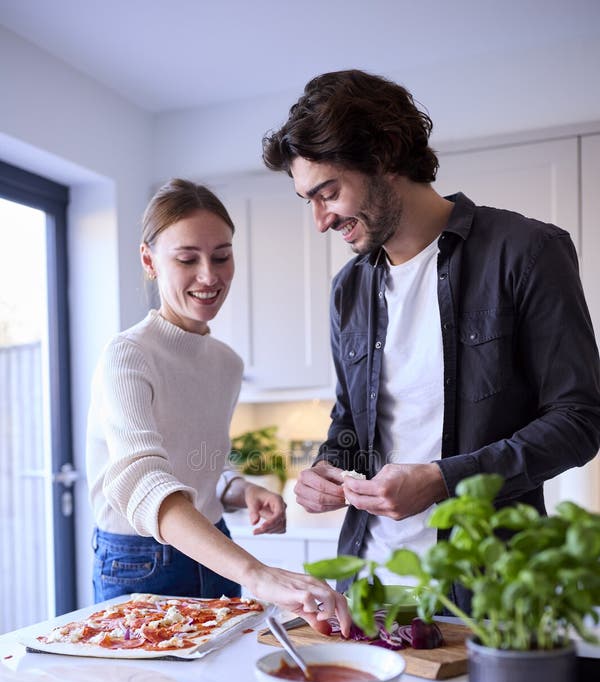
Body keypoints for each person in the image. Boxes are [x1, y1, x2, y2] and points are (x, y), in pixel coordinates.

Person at [262, 69, 600, 609]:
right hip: (368, 584)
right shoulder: (349, 289)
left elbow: (580, 420)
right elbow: (351, 423)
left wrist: (446, 480)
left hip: (488, 590)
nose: (321, 221)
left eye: (329, 193)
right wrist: (326, 468)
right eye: (309, 200)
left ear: (387, 156)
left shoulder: (527, 251)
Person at [86, 177, 351, 635]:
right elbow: (142, 481)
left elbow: (196, 463)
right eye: (187, 259)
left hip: (213, 544)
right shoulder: (128, 354)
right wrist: (257, 572)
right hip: (141, 558)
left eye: (222, 256)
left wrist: (240, 490)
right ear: (149, 260)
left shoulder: (226, 363)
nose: (209, 276)